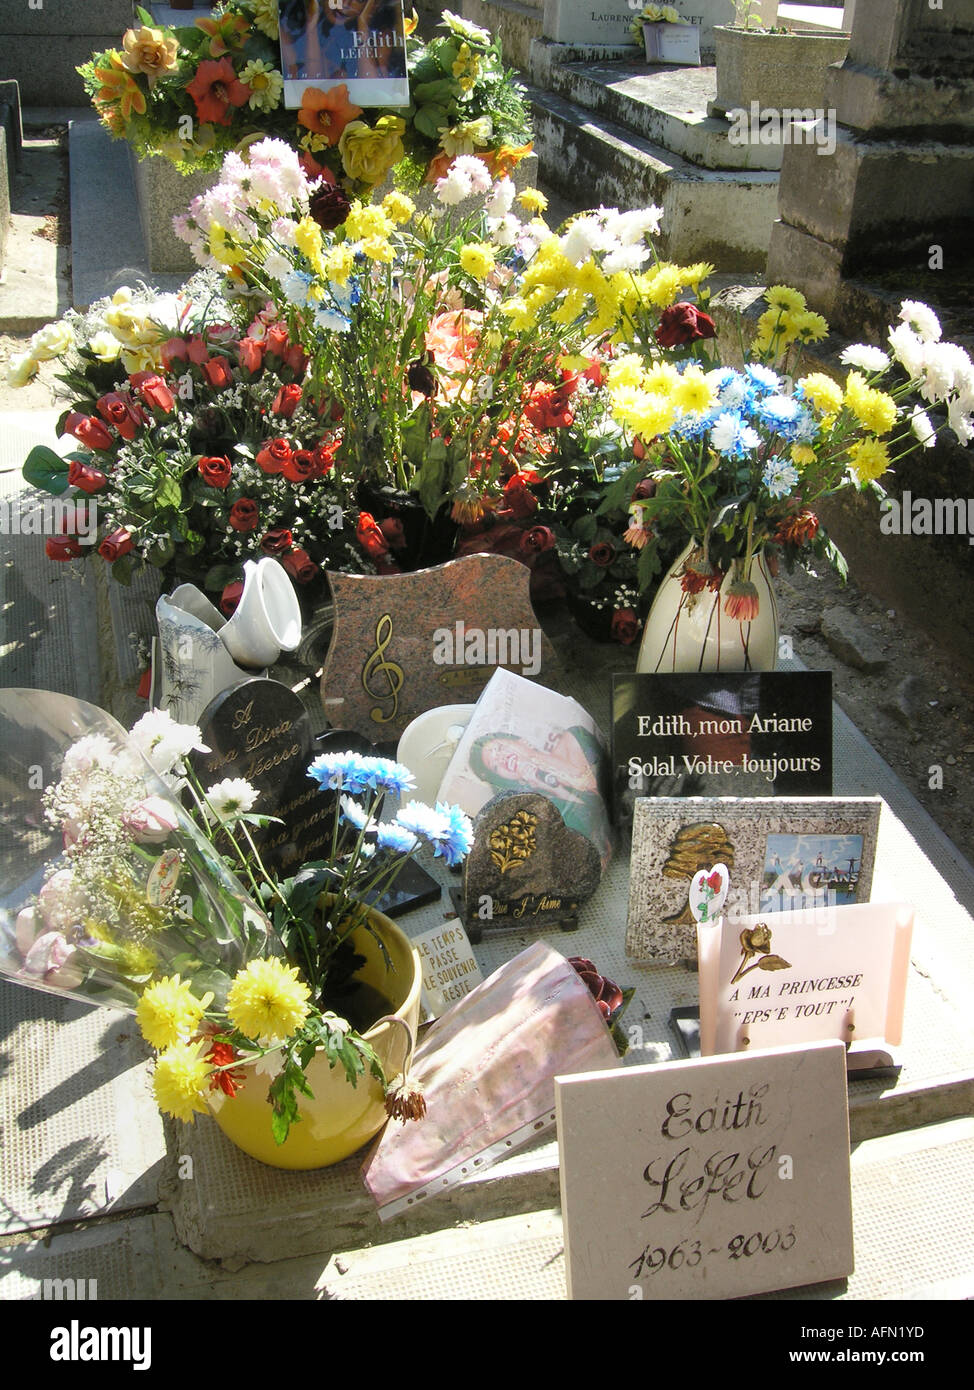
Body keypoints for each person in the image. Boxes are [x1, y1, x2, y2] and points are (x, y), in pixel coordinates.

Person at [467, 728, 614, 867]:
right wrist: (552, 788)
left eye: (499, 748)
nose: (500, 759)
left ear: (522, 741)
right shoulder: (537, 808)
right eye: (495, 766)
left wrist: (535, 758)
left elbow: (600, 791)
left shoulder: (573, 739)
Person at [279, 0, 405, 82]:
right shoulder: (287, 27)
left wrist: (363, 24)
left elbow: (373, 92)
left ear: (372, 5)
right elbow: (310, 91)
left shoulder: (382, 33)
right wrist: (311, 26)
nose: (346, 3)